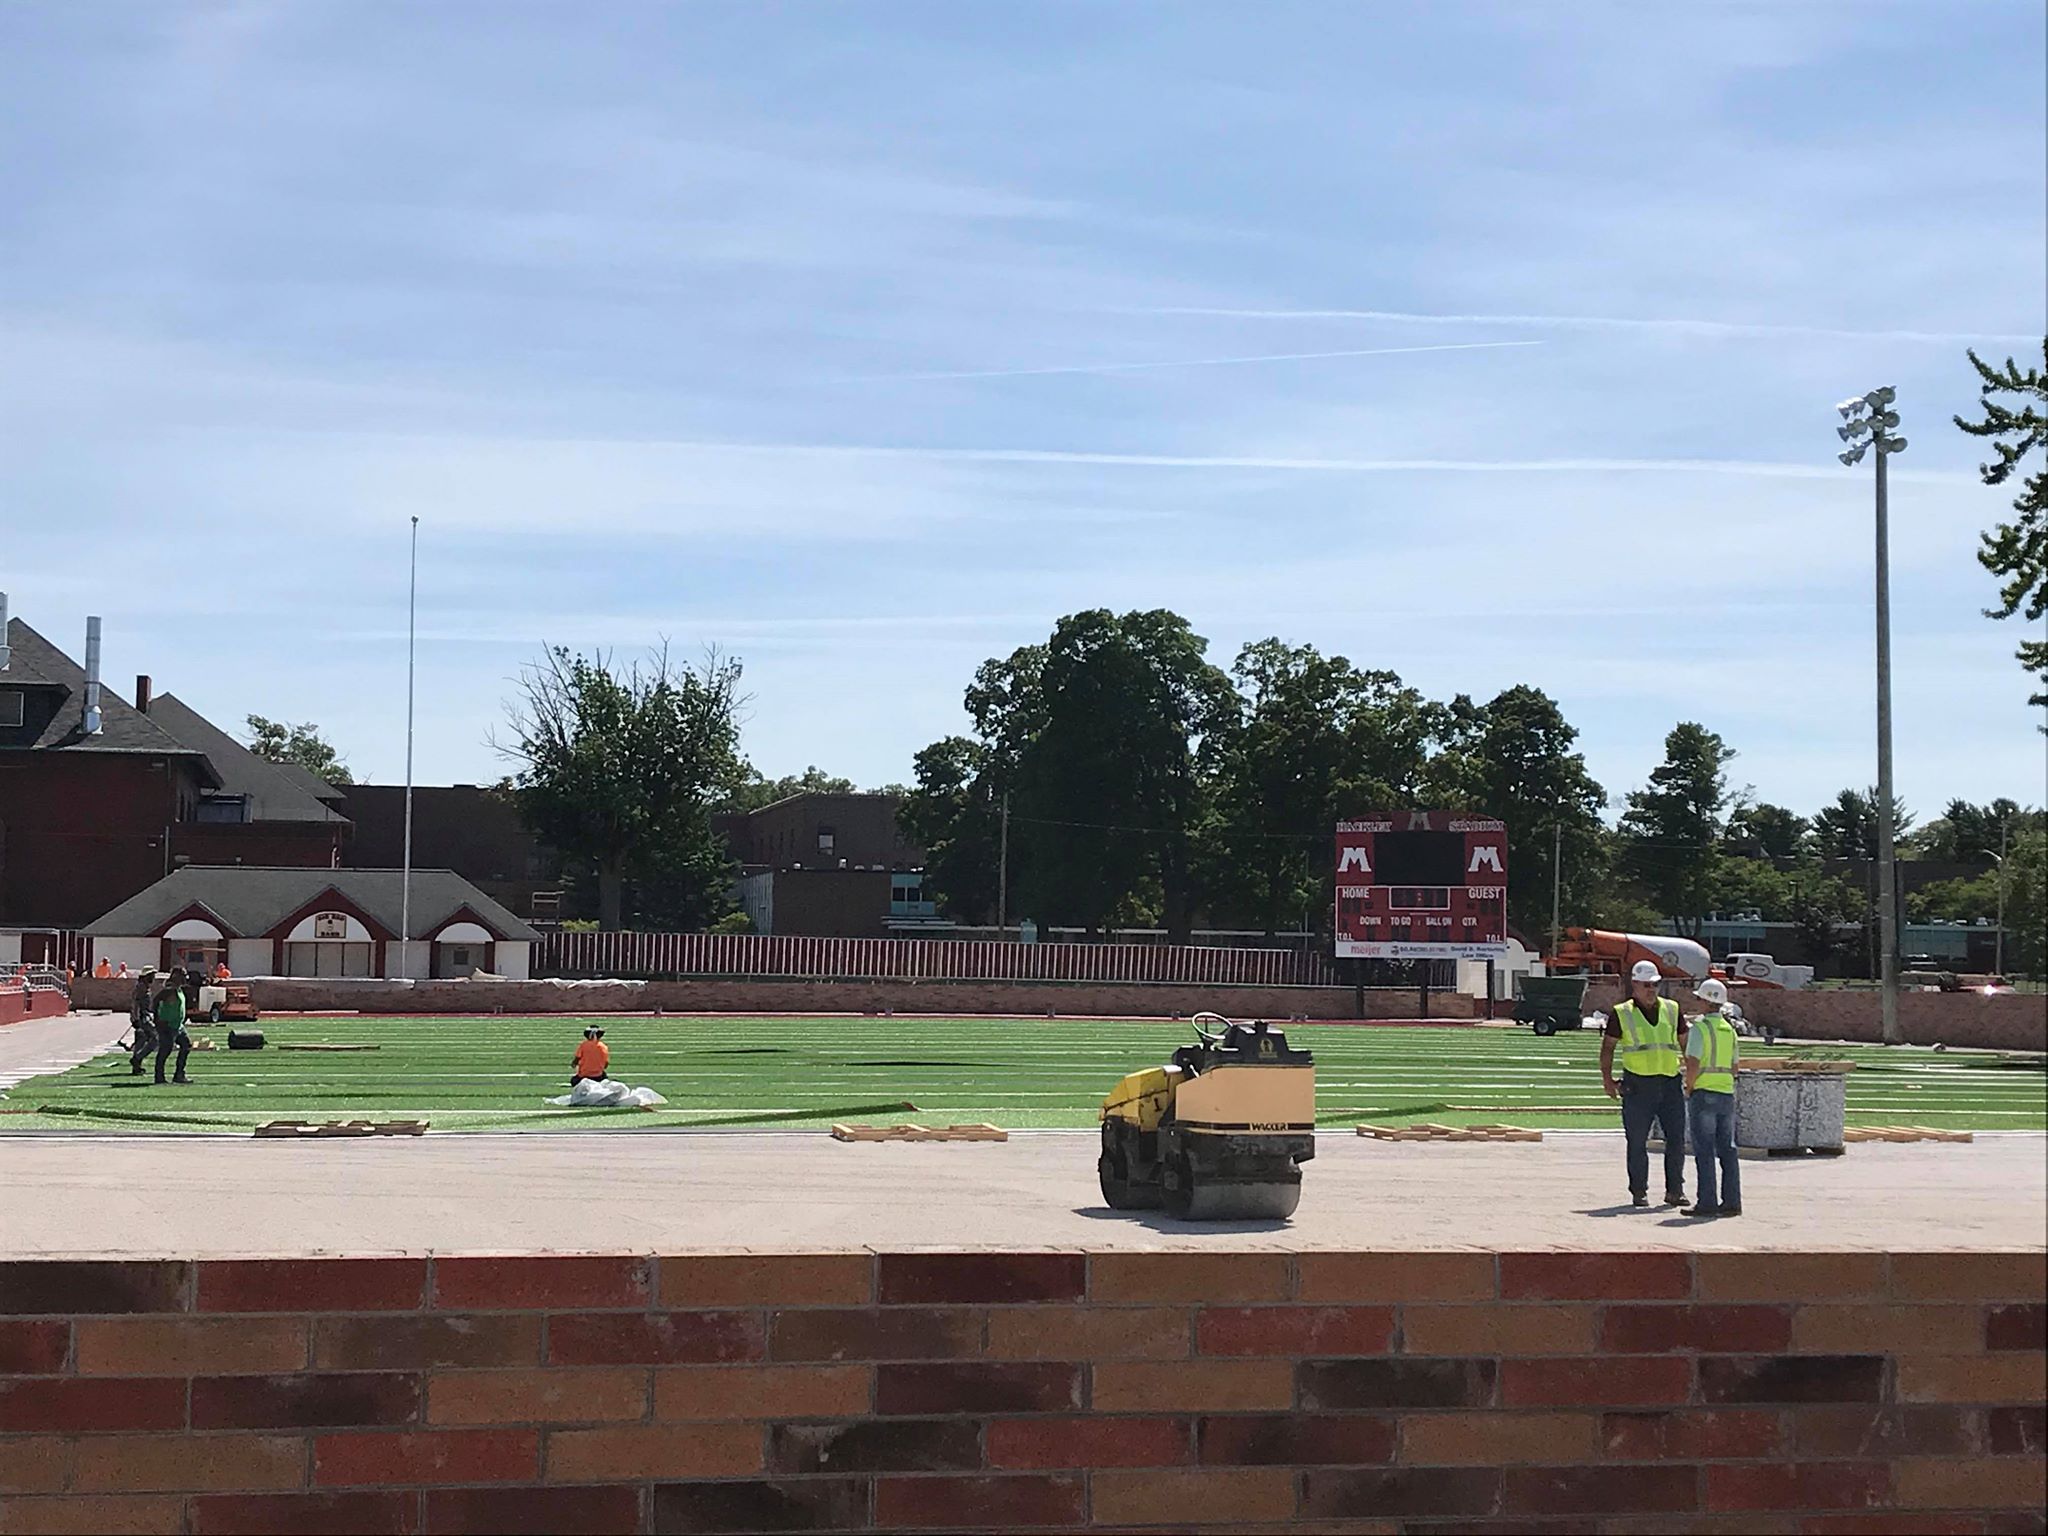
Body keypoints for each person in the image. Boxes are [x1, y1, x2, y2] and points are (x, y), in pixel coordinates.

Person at [1600, 960, 1689, 1209]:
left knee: (1676, 1140)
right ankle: (1639, 1191)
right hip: (1638, 1086)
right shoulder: (1622, 1013)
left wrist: (1692, 1074)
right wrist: (1607, 1080)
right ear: (1635, 985)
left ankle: (1675, 1190)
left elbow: (1685, 1043)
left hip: (1670, 1083)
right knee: (1637, 1141)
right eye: (1647, 985)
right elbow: (1608, 1048)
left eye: (1656, 985)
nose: (1652, 990)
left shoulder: (1672, 1009)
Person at [1684, 979, 1742, 1219]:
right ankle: (1731, 1202)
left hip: (1704, 1091)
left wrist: (1690, 1085)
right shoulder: (1730, 1030)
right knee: (1728, 1149)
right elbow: (1735, 1066)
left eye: (1700, 998)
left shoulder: (1700, 1028)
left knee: (1705, 1149)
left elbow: (1693, 1061)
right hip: (1726, 1092)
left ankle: (1707, 1202)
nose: (1697, 1002)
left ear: (1707, 1001)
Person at [152, 968, 192, 1085]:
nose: (186, 978)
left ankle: (179, 1074)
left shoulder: (179, 990)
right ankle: (159, 1077)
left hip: (178, 1026)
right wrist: (157, 1018)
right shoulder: (169, 990)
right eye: (183, 975)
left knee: (186, 1045)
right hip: (167, 1026)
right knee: (165, 1050)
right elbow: (155, 1001)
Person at [127, 968, 159, 1076]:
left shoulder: (144, 987)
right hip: (142, 1018)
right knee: (155, 1039)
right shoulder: (141, 988)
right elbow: (135, 1004)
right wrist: (135, 1018)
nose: (153, 978)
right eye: (151, 976)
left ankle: (137, 1066)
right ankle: (137, 1058)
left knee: (141, 1040)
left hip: (143, 1017)